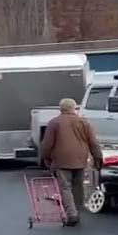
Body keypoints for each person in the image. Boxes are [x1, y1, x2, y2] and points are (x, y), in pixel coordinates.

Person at [39, 97, 104, 226]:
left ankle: (72, 213)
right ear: (74, 108)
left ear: (61, 109)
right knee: (78, 186)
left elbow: (47, 145)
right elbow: (93, 143)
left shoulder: (54, 123)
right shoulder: (84, 123)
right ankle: (78, 210)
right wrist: (98, 159)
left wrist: (45, 158)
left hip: (61, 160)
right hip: (80, 159)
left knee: (65, 187)